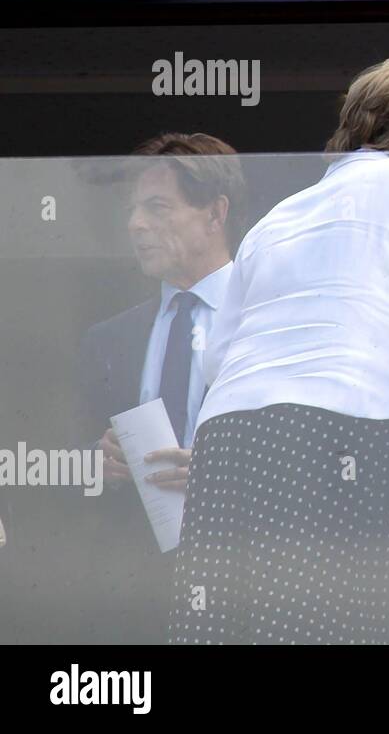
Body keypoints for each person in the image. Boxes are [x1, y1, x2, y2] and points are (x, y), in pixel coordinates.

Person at [167, 58, 389, 644]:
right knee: (344, 626)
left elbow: (217, 358)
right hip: (341, 432)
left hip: (226, 439)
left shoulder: (277, 217)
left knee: (223, 628)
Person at [79, 132, 246, 642]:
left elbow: (313, 452)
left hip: (248, 578)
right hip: (133, 593)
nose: (136, 224)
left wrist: (230, 473)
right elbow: (56, 459)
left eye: (156, 207)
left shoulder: (269, 323)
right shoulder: (108, 338)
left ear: (215, 214)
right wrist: (96, 464)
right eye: (132, 210)